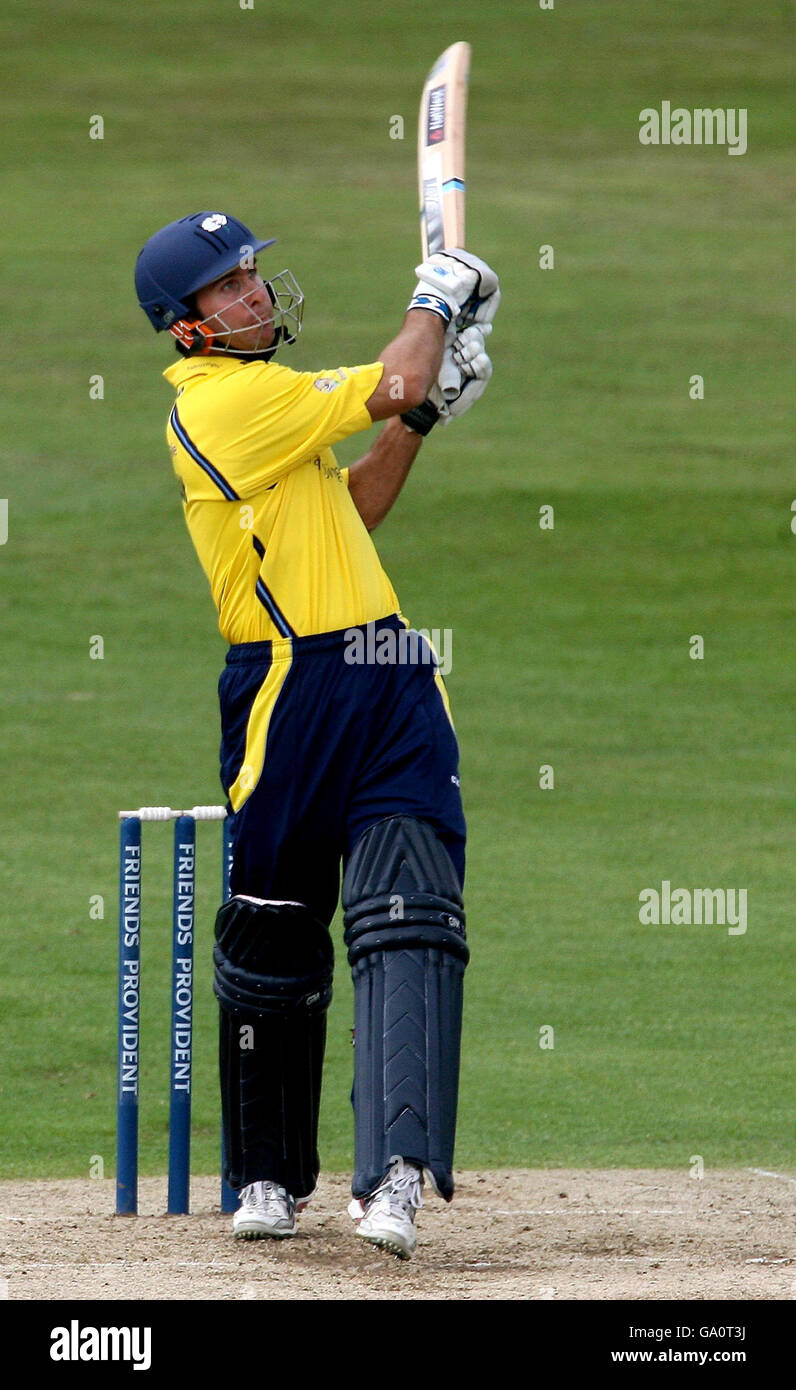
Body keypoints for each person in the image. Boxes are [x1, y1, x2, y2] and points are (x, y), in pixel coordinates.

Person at [134, 210, 500, 1259]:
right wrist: (434, 299)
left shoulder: (281, 413)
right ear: (186, 326)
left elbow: (353, 506)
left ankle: (394, 1176)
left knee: (411, 911)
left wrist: (418, 423)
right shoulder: (221, 408)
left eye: (252, 276)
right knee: (274, 937)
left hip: (384, 671)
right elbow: (386, 378)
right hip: (286, 689)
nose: (253, 296)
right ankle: (264, 1173)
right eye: (227, 289)